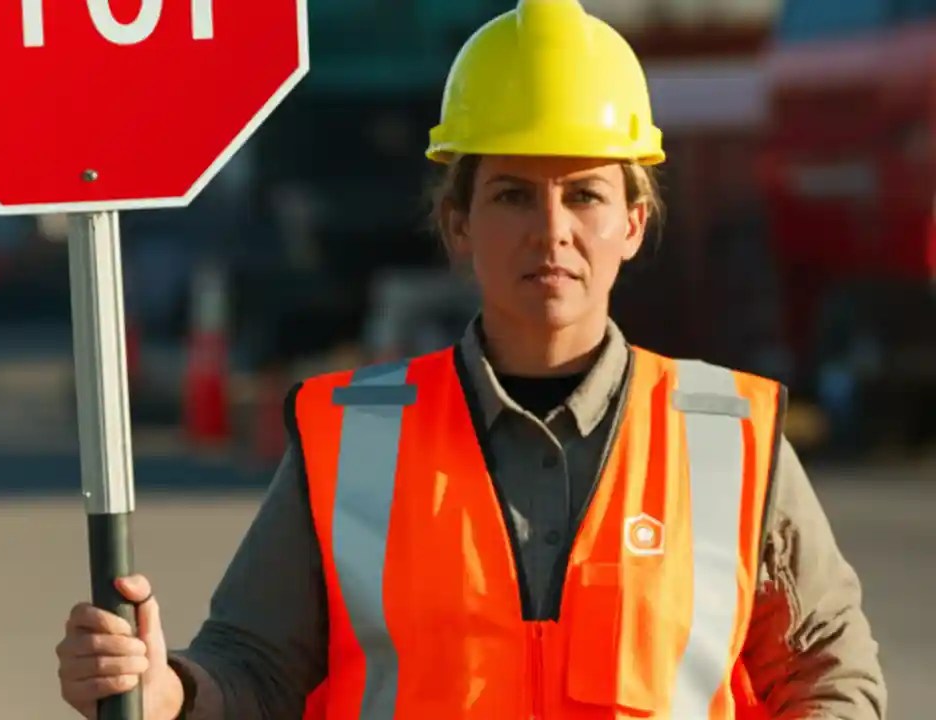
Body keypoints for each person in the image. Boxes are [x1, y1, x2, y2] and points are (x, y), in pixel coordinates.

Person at [55, 1, 888, 717]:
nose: (552, 230)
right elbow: (253, 667)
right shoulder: (354, 444)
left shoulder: (730, 440)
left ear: (633, 223)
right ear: (458, 224)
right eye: (514, 194)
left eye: (586, 194)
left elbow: (830, 674)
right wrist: (166, 691)